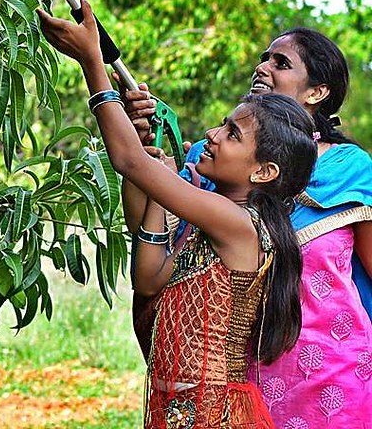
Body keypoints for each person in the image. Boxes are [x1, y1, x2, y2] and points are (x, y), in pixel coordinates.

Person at [38, 0, 318, 429]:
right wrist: (158, 188)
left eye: (232, 133)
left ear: (263, 171)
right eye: (223, 124)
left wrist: (92, 63)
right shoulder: (214, 222)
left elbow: (128, 161)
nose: (213, 135)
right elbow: (148, 279)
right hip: (181, 412)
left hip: (211, 416)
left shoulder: (240, 225)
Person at [126, 28, 372, 426]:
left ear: (317, 92)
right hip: (236, 379)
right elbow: (153, 242)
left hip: (333, 380)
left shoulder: (350, 169)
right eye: (264, 58)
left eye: (281, 62)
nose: (262, 67)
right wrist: (140, 146)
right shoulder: (216, 161)